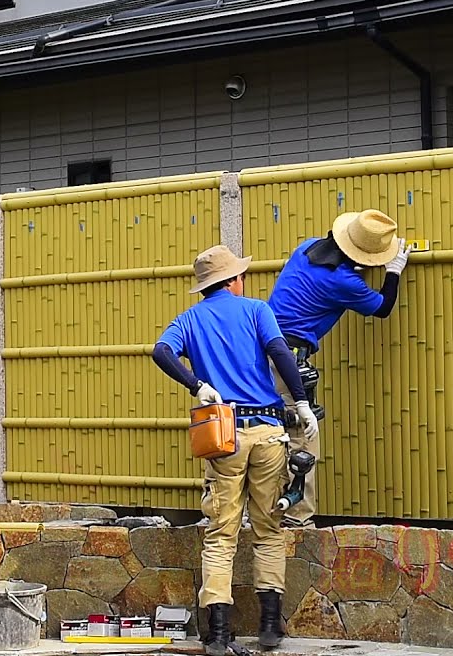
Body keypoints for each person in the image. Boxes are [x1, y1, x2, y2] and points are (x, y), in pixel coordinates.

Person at [151, 244, 319, 654]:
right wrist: (299, 401)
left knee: (221, 535)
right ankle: (268, 629)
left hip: (223, 437)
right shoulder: (256, 310)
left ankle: (221, 635)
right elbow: (280, 353)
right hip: (267, 433)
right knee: (269, 529)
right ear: (233, 280)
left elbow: (161, 351)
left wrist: (197, 386)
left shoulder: (189, 320)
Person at [266, 209, 413, 527]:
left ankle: (265, 510)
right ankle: (295, 517)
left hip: (262, 351)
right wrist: (394, 271)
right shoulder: (343, 281)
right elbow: (383, 307)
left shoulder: (305, 247)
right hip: (288, 359)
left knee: (269, 432)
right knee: (302, 434)